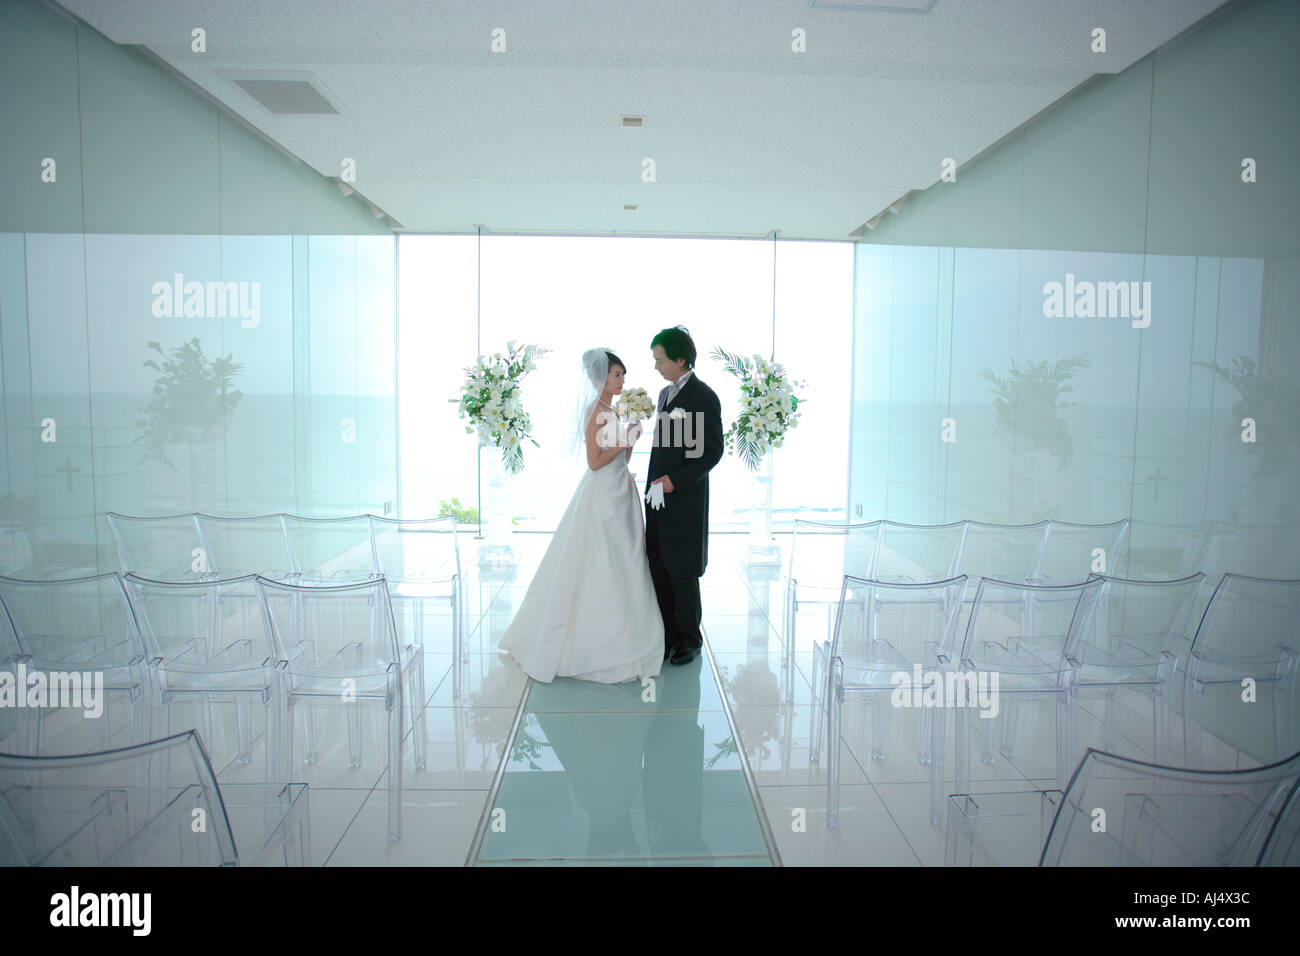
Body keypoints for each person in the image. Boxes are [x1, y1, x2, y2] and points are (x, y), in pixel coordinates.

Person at [498, 348, 664, 683]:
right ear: (600, 377)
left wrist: (631, 438)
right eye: (617, 374)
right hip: (602, 495)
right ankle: (598, 641)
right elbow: (594, 461)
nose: (622, 380)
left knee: (625, 560)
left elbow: (622, 460)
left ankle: (628, 630)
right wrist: (624, 441)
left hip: (620, 490)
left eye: (623, 375)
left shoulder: (612, 409)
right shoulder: (595, 411)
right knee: (603, 561)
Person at [645, 326, 724, 666]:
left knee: (683, 570)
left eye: (660, 360)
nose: (657, 367)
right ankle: (668, 635)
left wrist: (674, 482)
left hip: (683, 498)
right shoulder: (664, 394)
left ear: (680, 360)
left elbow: (710, 453)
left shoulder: (704, 397)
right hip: (657, 495)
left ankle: (690, 639)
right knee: (660, 565)